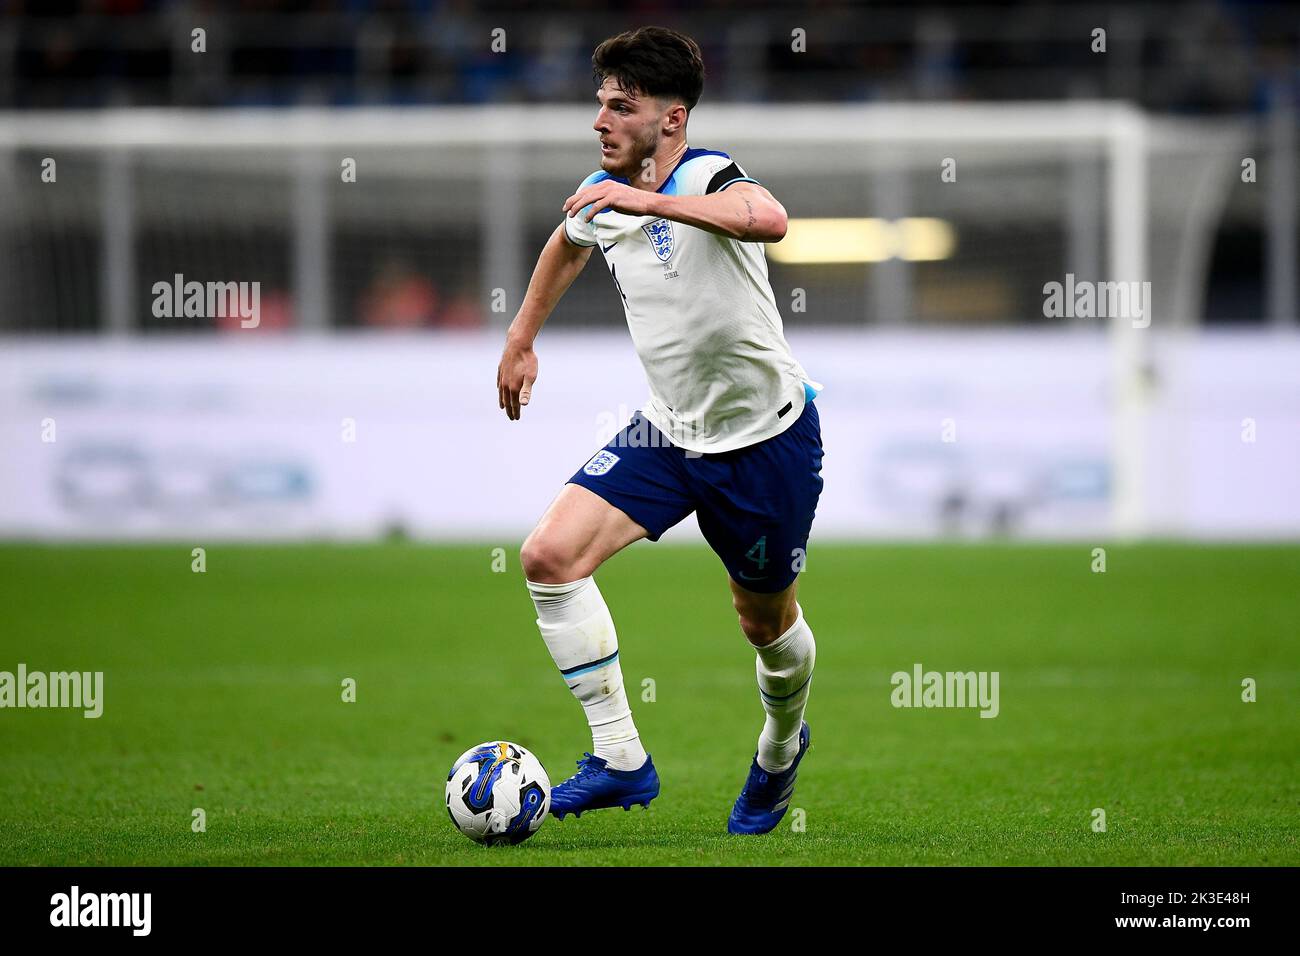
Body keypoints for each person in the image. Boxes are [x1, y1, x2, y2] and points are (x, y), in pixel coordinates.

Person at [495, 26, 824, 835]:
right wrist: (521, 337)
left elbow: (769, 219)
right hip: (667, 436)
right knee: (548, 557)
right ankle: (619, 761)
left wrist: (649, 199)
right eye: (599, 104)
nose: (600, 121)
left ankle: (781, 749)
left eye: (621, 106)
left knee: (763, 623)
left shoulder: (707, 174)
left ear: (670, 119)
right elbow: (565, 248)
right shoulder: (602, 193)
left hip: (764, 444)